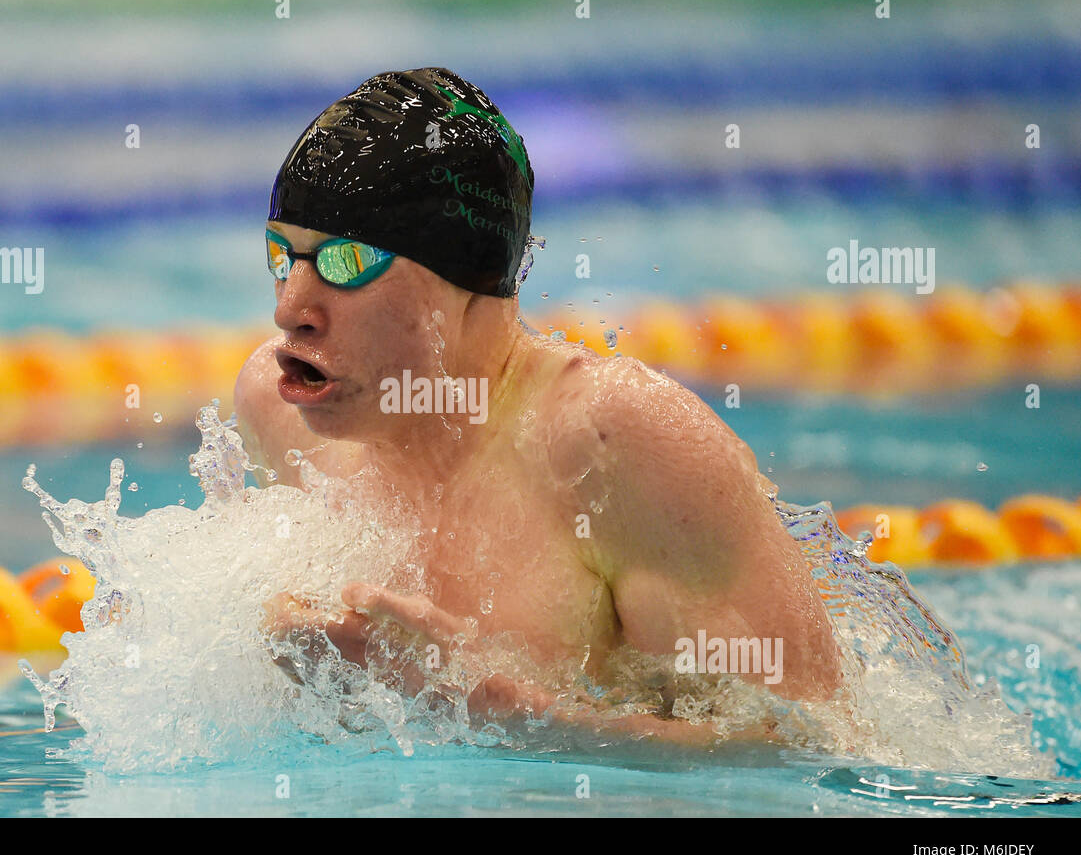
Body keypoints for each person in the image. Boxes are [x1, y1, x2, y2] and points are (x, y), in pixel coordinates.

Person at [235, 67, 841, 744]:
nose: (291, 308)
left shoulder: (610, 443)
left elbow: (813, 744)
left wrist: (501, 711)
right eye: (283, 255)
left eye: (348, 262)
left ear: (466, 281)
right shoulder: (277, 408)